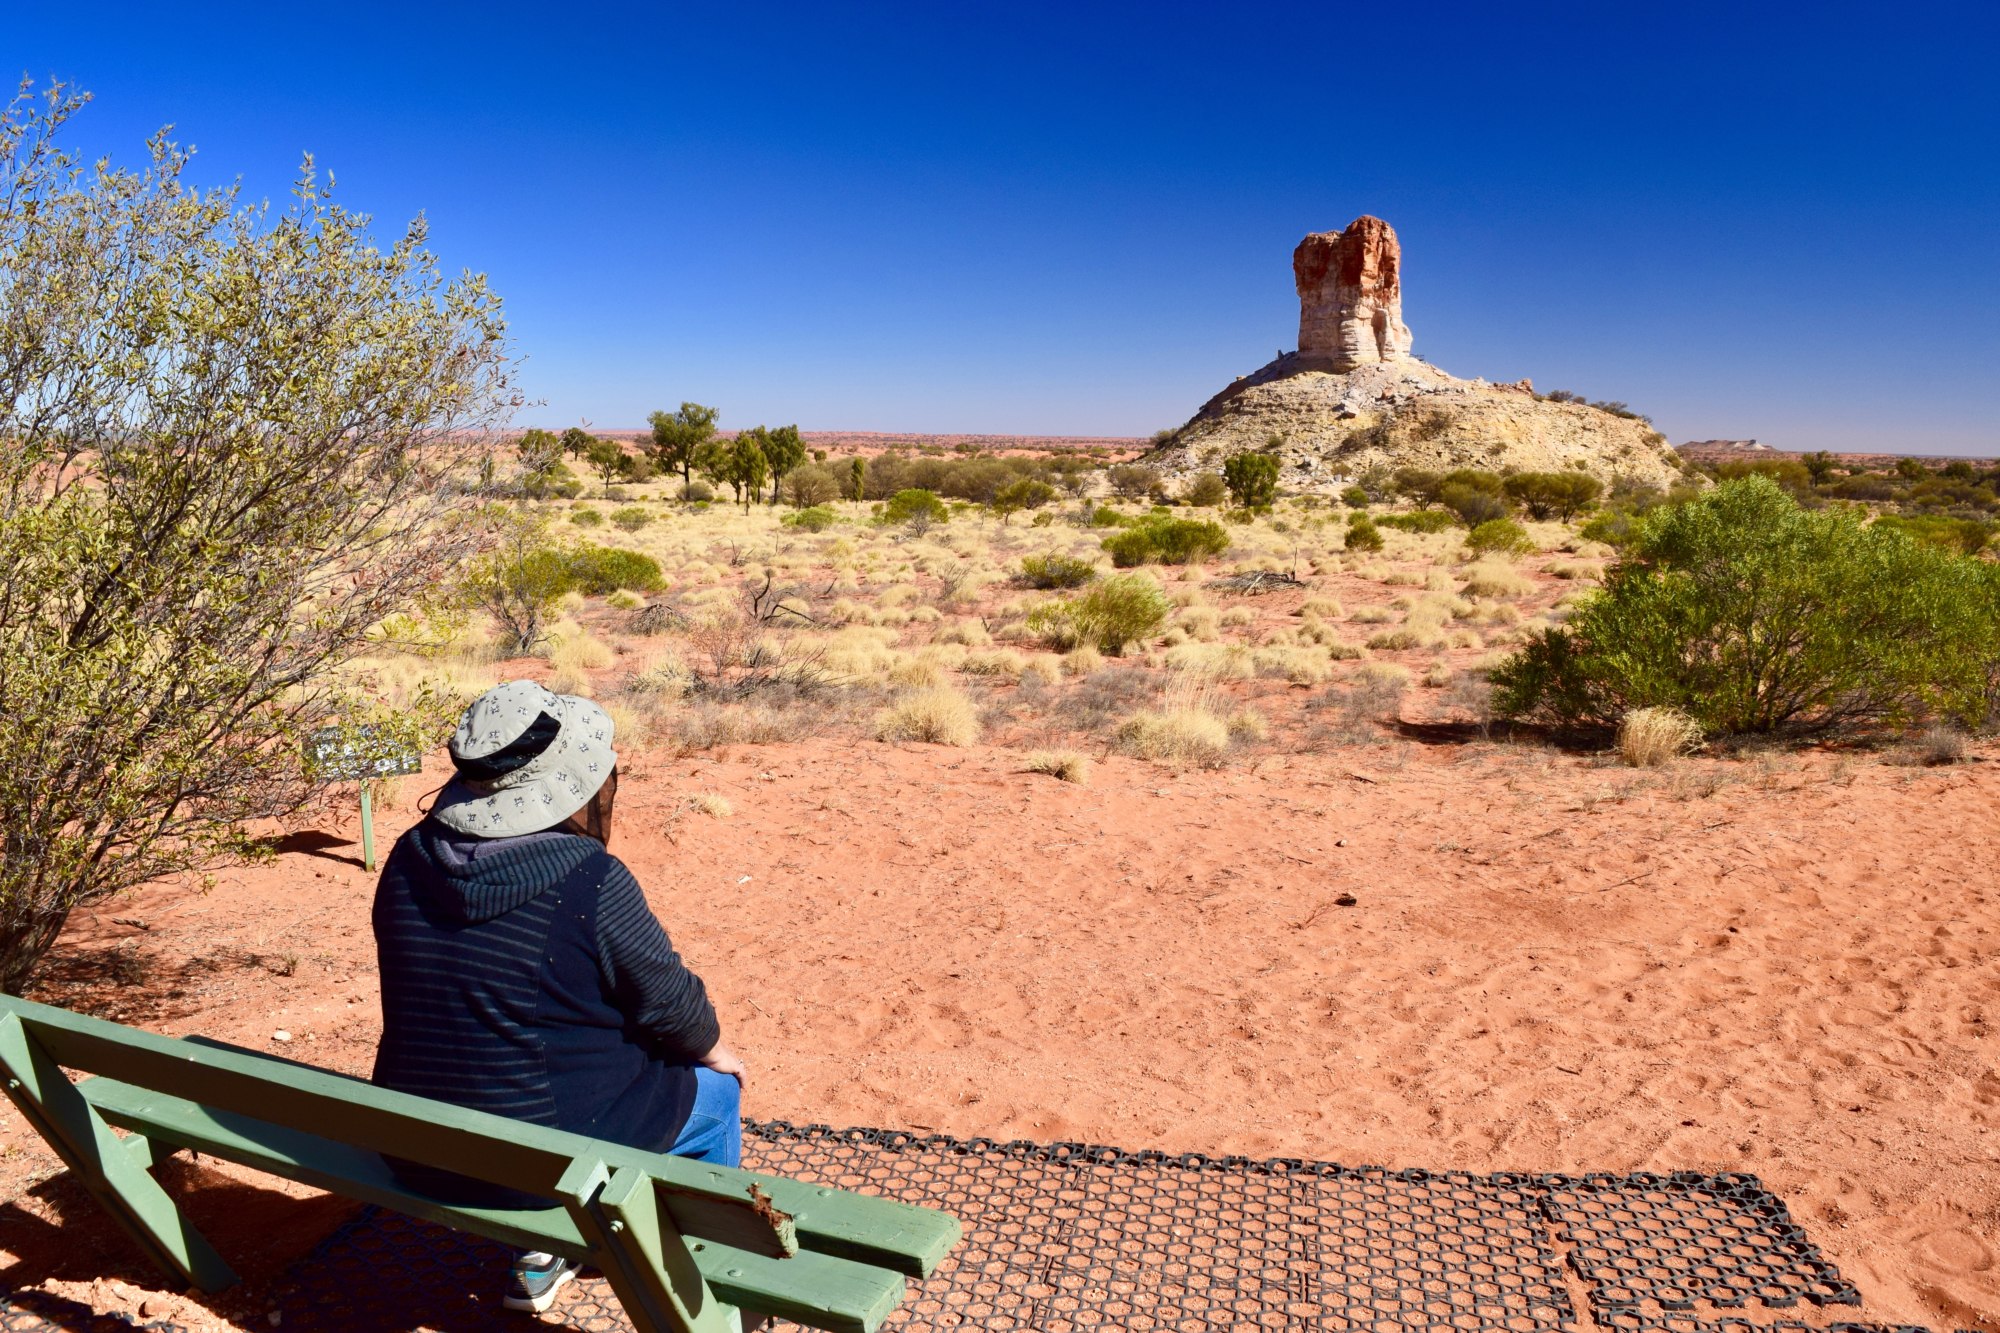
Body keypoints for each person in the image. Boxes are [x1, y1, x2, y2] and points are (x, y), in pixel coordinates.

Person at [371, 680, 744, 1314]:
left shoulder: (409, 856)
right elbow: (667, 1001)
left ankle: (543, 1252)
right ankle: (703, 1275)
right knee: (715, 1095)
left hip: (417, 1144)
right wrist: (714, 1051)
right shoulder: (590, 879)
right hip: (541, 1160)